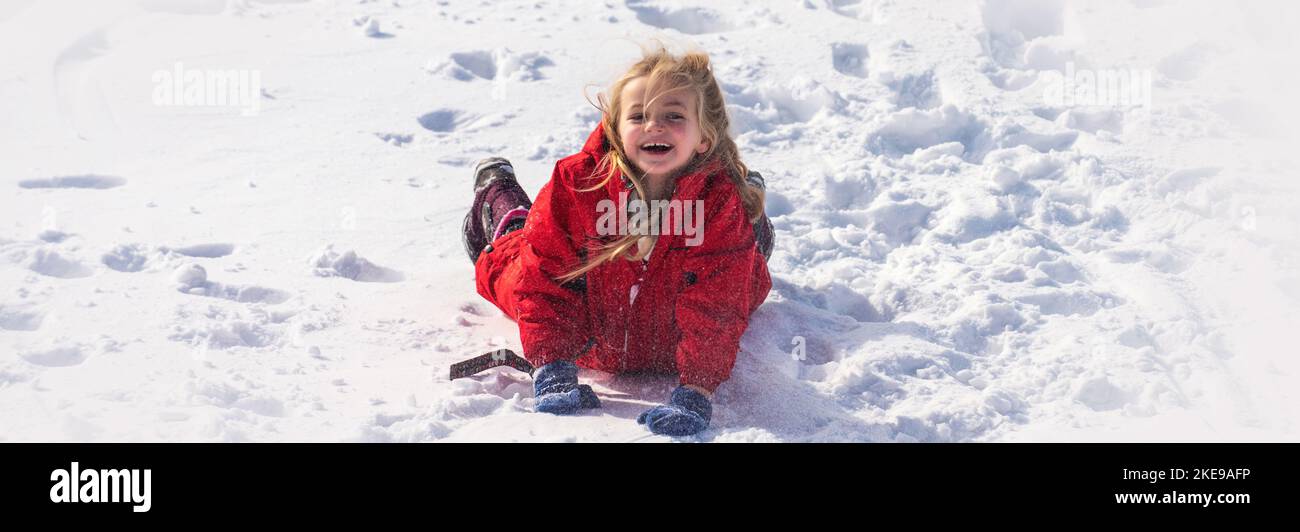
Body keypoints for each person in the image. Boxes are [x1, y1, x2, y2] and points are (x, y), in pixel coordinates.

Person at [462, 45, 773, 436]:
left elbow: (719, 308)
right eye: (639, 115)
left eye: (673, 116)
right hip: (591, 339)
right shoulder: (577, 184)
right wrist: (552, 364)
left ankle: (752, 210)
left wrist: (696, 389)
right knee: (511, 264)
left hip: (672, 346)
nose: (654, 126)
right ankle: (499, 195)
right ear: (615, 127)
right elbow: (543, 278)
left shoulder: (716, 203)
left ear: (703, 139)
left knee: (746, 276)